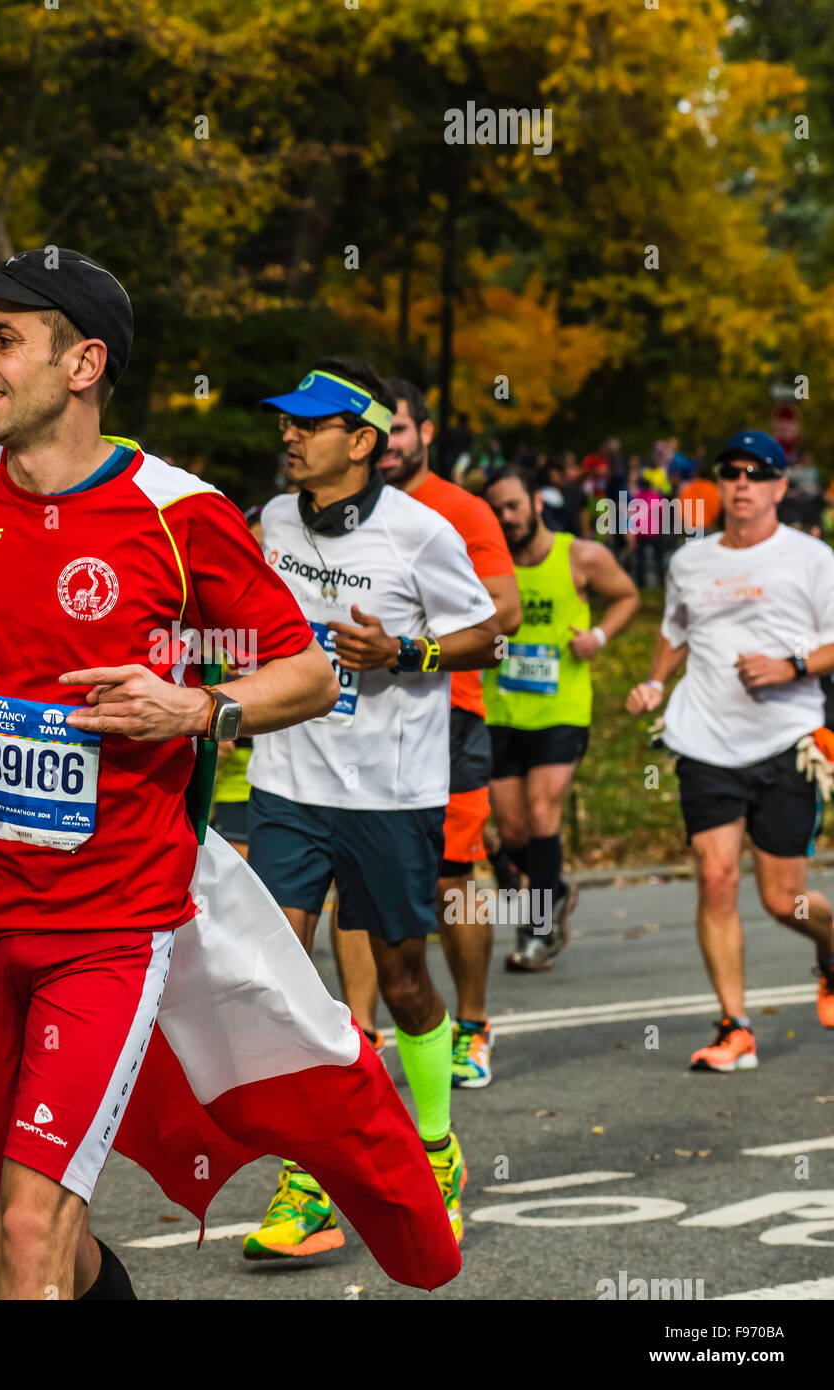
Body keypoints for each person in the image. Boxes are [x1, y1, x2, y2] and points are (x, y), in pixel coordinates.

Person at [0, 248, 360, 1300]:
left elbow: (309, 670)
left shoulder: (179, 511)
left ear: (82, 363)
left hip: (112, 919)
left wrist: (197, 707)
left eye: (1, 339)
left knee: (29, 1235)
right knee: (33, 1236)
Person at [241, 358, 503, 1252]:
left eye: (307, 426)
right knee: (276, 979)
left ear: (361, 443)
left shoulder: (421, 533)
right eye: (284, 422)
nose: (287, 436)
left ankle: (434, 1151)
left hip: (390, 793)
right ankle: (308, 1176)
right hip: (286, 783)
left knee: (401, 981)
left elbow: (487, 639)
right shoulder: (270, 517)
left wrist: (406, 652)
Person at [626, 430, 834, 1071]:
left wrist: (790, 665)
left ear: (778, 486)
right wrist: (658, 681)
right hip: (704, 740)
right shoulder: (691, 560)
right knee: (715, 878)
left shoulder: (812, 559)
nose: (742, 483)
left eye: (756, 473)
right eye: (731, 473)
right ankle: (735, 1027)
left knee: (783, 900)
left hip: (785, 742)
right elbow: (675, 630)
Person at [357, 377, 522, 1089]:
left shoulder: (458, 510)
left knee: (455, 872)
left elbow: (504, 613)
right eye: (376, 429)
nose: (388, 443)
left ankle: (473, 1025)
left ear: (423, 432)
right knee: (357, 873)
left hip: (448, 710)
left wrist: (407, 641)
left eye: (399, 428)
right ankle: (357, 1037)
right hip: (359, 713)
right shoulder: (336, 510)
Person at [482, 467, 640, 970]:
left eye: (513, 506)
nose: (506, 518)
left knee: (543, 811)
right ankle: (557, 889)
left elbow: (629, 595)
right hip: (502, 709)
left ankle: (538, 931)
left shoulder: (580, 556)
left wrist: (599, 637)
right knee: (510, 832)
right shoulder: (488, 563)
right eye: (496, 510)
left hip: (561, 709)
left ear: (535, 502)